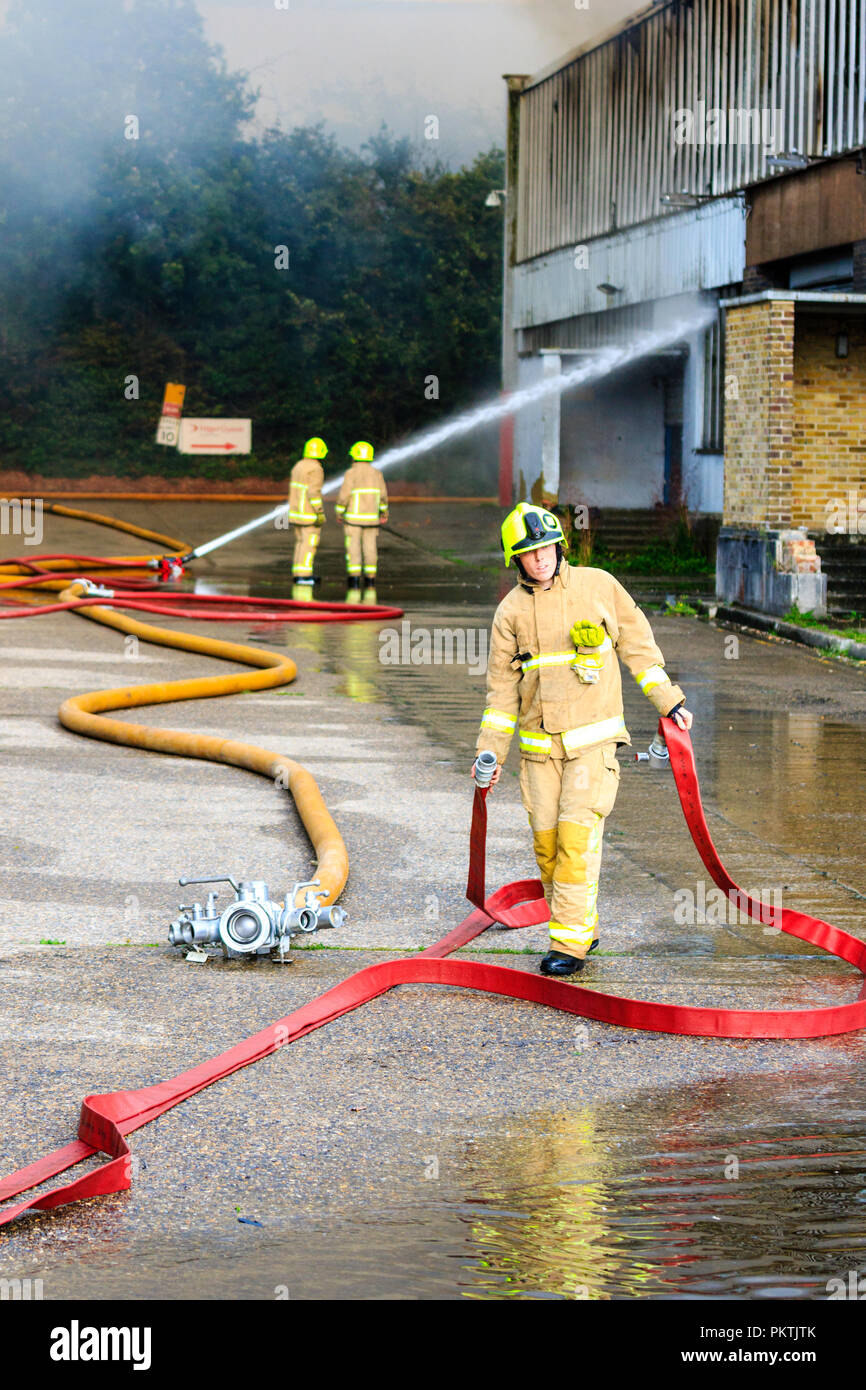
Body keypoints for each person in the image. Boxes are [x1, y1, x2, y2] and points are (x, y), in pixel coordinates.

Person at [471, 502, 694, 978]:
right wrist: (489, 752)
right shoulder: (509, 612)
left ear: (560, 546)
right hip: (538, 753)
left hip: (594, 745)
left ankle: (569, 944)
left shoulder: (599, 586)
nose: (540, 559)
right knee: (548, 847)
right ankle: (579, 924)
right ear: (517, 559)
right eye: (529, 553)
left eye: (546, 548)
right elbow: (501, 694)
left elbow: (639, 648)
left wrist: (669, 703)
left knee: (576, 839)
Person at [335, 441, 388, 590]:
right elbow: (383, 496)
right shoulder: (377, 473)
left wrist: (339, 512)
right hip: (372, 519)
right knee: (370, 548)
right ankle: (370, 580)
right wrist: (384, 512)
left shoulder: (351, 473)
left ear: (355, 456)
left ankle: (354, 579)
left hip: (353, 519)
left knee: (353, 548)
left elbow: (344, 496)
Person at [288, 437, 327, 584]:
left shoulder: (298, 466)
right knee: (309, 544)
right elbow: (313, 493)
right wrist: (319, 512)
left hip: (296, 513)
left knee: (300, 543)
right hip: (308, 514)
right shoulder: (315, 469)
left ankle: (298, 573)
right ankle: (304, 575)